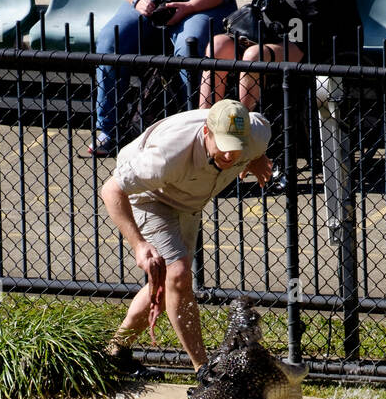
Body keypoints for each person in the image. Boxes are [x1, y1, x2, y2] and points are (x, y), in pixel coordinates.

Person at [100, 99, 272, 372]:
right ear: (206, 133)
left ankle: (115, 351)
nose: (230, 156)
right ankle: (203, 370)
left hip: (189, 203)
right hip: (150, 196)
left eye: (237, 148)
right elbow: (111, 191)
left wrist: (256, 158)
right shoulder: (167, 155)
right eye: (224, 146)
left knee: (168, 284)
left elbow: (253, 144)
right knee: (178, 274)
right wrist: (139, 245)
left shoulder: (257, 134)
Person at [87, 0, 238, 157]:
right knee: (111, 41)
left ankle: (192, 134)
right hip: (150, 0)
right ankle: (110, 130)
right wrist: (139, 0)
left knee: (188, 49)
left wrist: (190, 6)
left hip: (200, 2)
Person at [199, 0, 363, 111]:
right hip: (269, 37)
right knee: (218, 45)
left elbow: (332, 25)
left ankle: (243, 133)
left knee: (253, 56)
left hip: (309, 45)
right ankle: (205, 128)